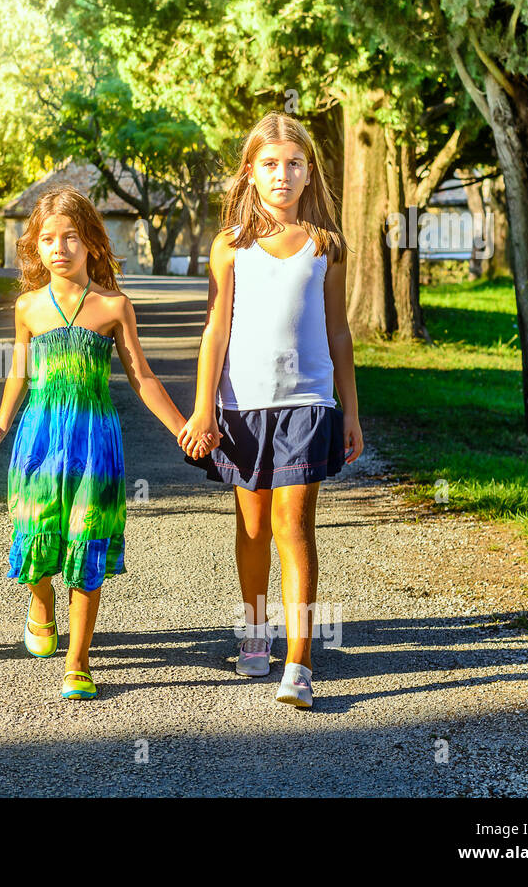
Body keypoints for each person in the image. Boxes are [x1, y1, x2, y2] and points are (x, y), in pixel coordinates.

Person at [179, 111, 364, 709]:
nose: (281, 175)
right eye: (269, 164)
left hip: (307, 405)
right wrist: (204, 408)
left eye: (293, 164)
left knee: (294, 526)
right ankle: (254, 633)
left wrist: (351, 412)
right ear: (250, 174)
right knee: (253, 528)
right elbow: (214, 330)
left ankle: (299, 663)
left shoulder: (325, 247)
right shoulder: (230, 246)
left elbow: (338, 332)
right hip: (241, 407)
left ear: (309, 174)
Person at [0, 186, 189, 700]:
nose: (59, 248)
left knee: (87, 538)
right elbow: (18, 376)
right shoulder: (28, 307)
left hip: (95, 442)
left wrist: (183, 426)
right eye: (47, 239)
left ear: (91, 243)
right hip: (39, 439)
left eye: (70, 237)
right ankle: (41, 602)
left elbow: (141, 376)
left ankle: (79, 658)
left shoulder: (114, 306)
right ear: (35, 248)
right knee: (34, 529)